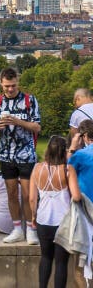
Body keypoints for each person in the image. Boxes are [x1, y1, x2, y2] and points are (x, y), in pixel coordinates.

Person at [0, 67, 41, 244]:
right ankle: (17, 229)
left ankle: (31, 229)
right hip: (6, 155)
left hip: (26, 155)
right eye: (6, 86)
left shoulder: (29, 100)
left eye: (12, 85)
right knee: (12, 193)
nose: (10, 89)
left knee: (28, 195)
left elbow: (37, 127)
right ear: (1, 84)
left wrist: (17, 121)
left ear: (18, 82)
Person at [29, 135, 71, 288]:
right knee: (61, 262)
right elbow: (76, 196)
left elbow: (32, 198)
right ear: (63, 152)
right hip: (63, 222)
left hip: (43, 219)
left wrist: (34, 215)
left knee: (46, 257)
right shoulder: (67, 170)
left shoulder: (37, 168)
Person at [67, 119, 93, 288]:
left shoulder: (80, 156)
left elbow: (67, 170)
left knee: (79, 266)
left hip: (84, 215)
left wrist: (72, 147)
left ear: (84, 136)